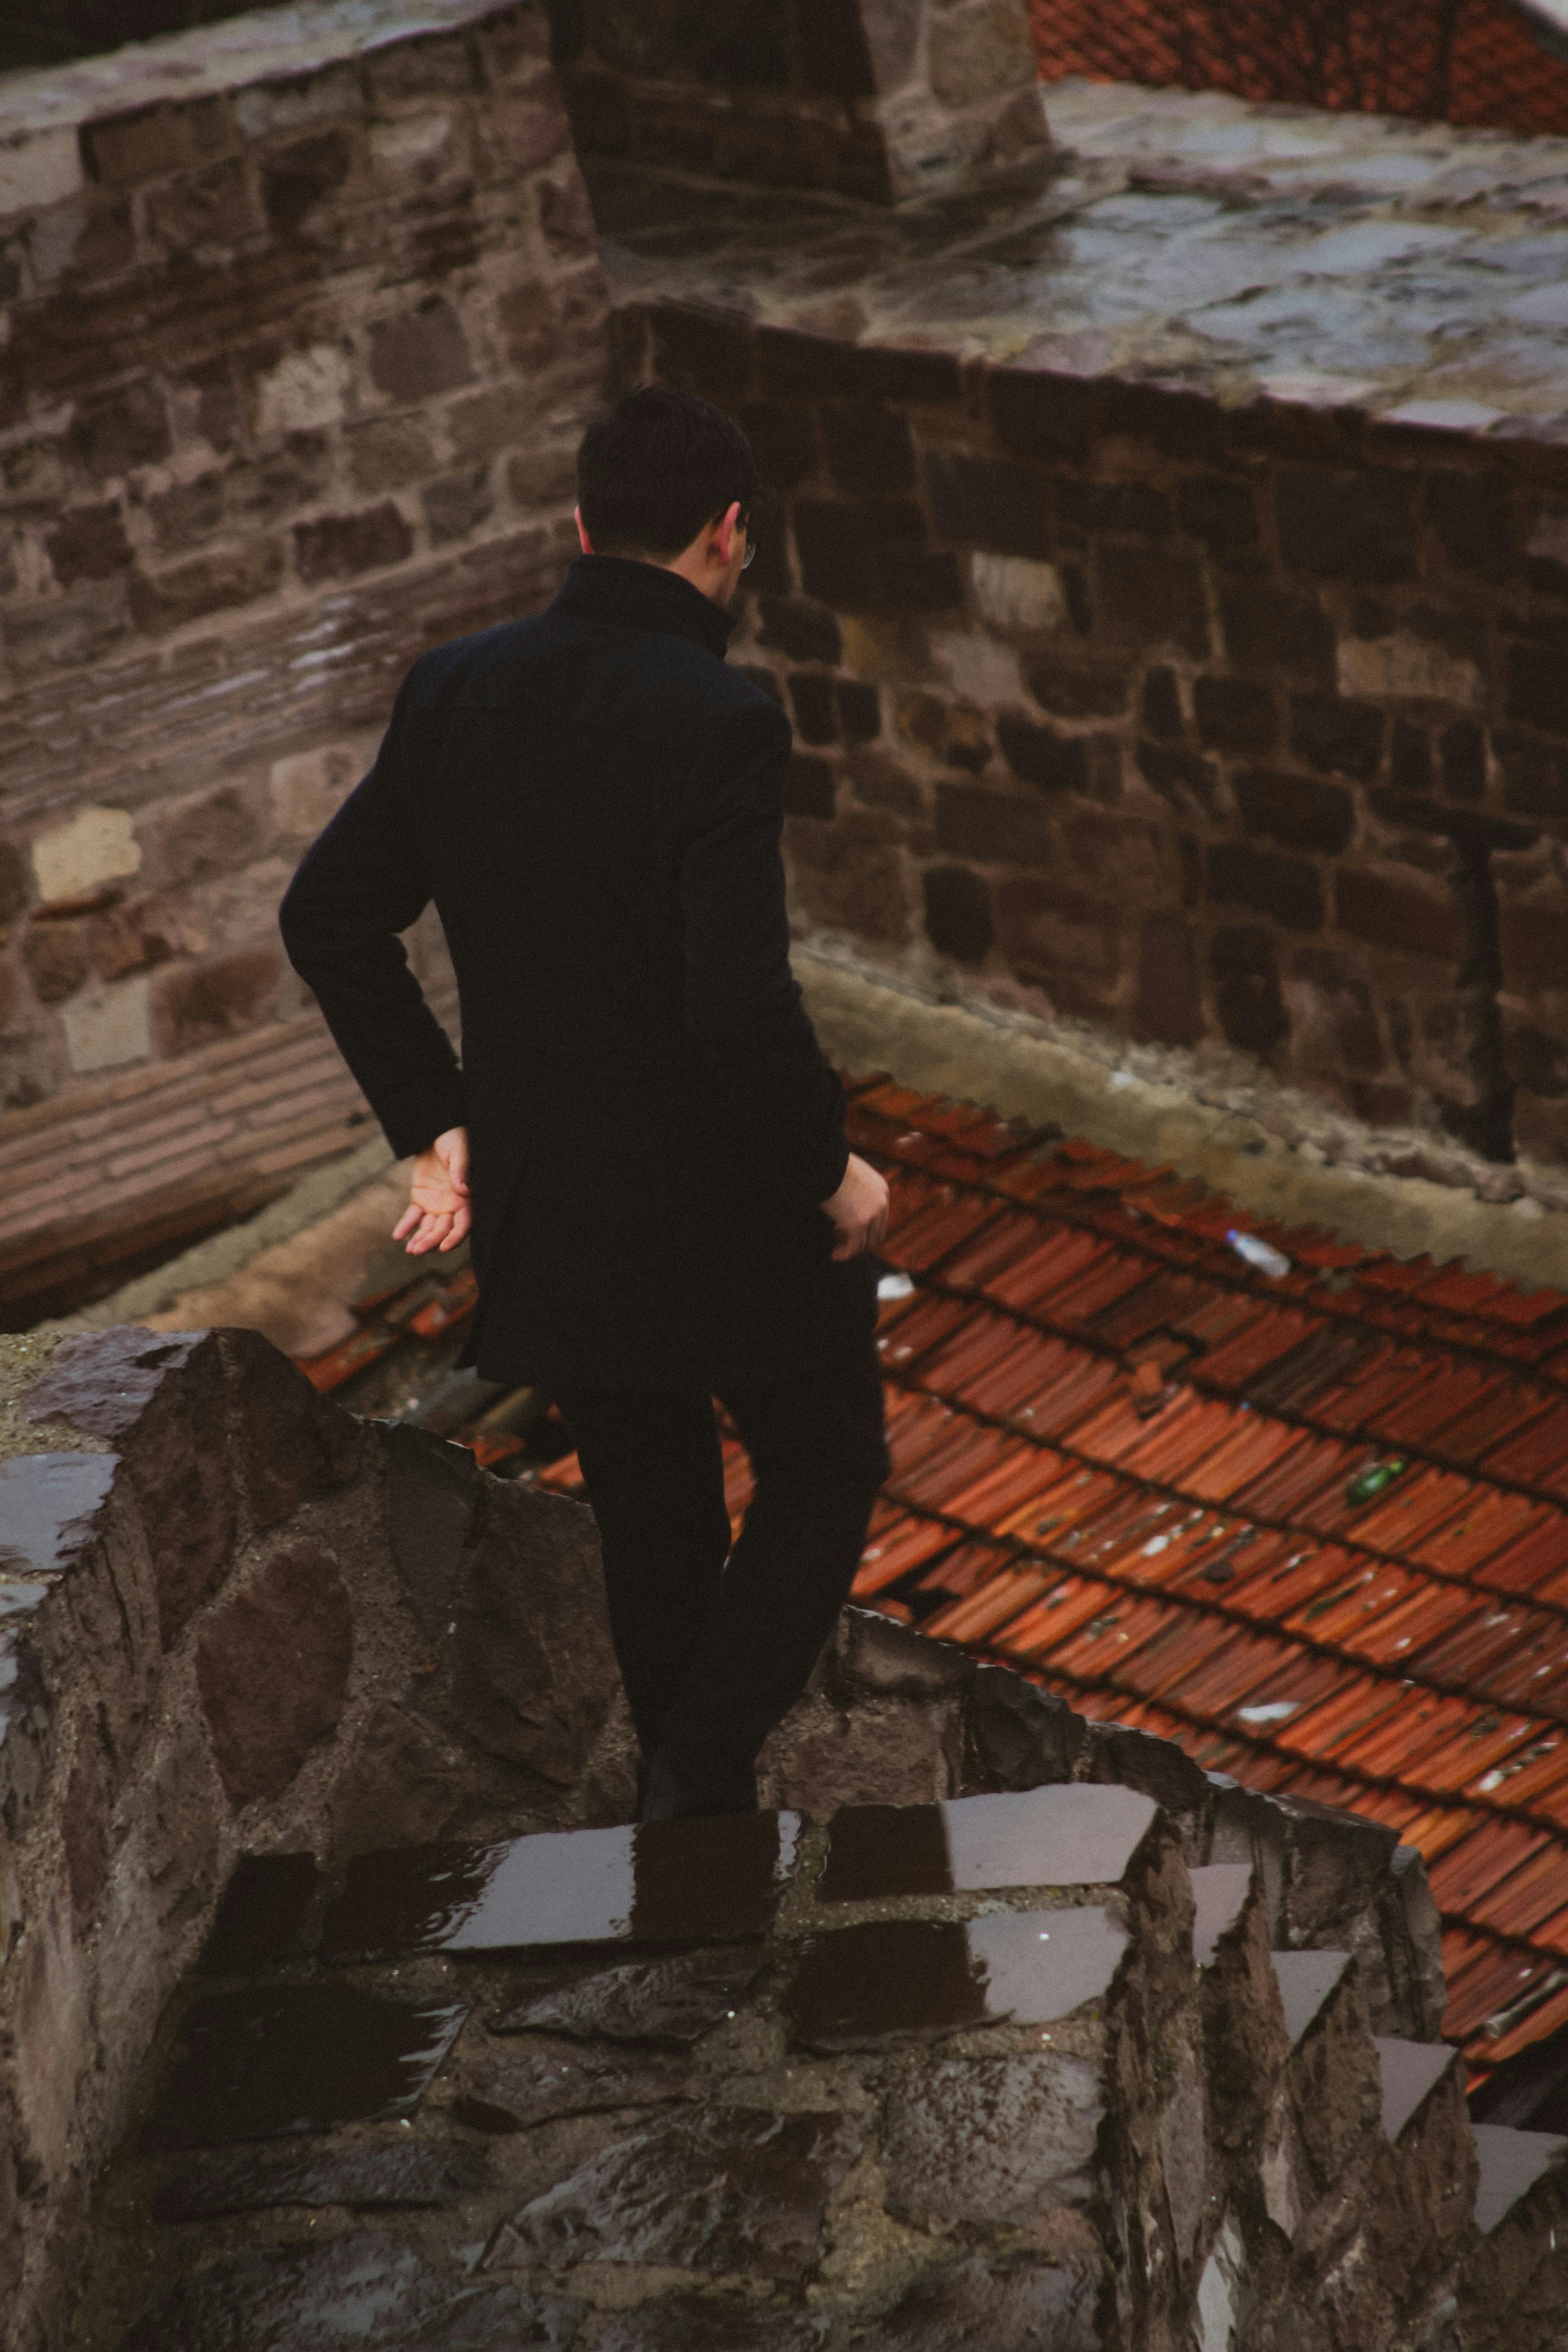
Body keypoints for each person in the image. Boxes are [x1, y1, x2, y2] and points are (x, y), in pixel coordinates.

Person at [279, 386, 891, 1822]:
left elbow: (329, 920)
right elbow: (736, 1006)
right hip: (722, 1203)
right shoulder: (722, 716)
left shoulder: (456, 685)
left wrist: (441, 1118)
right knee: (829, 1457)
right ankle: (702, 1765)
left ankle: (691, 1815)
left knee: (654, 1504)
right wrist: (833, 1178)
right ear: (729, 534)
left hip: (557, 1208)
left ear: (579, 524)